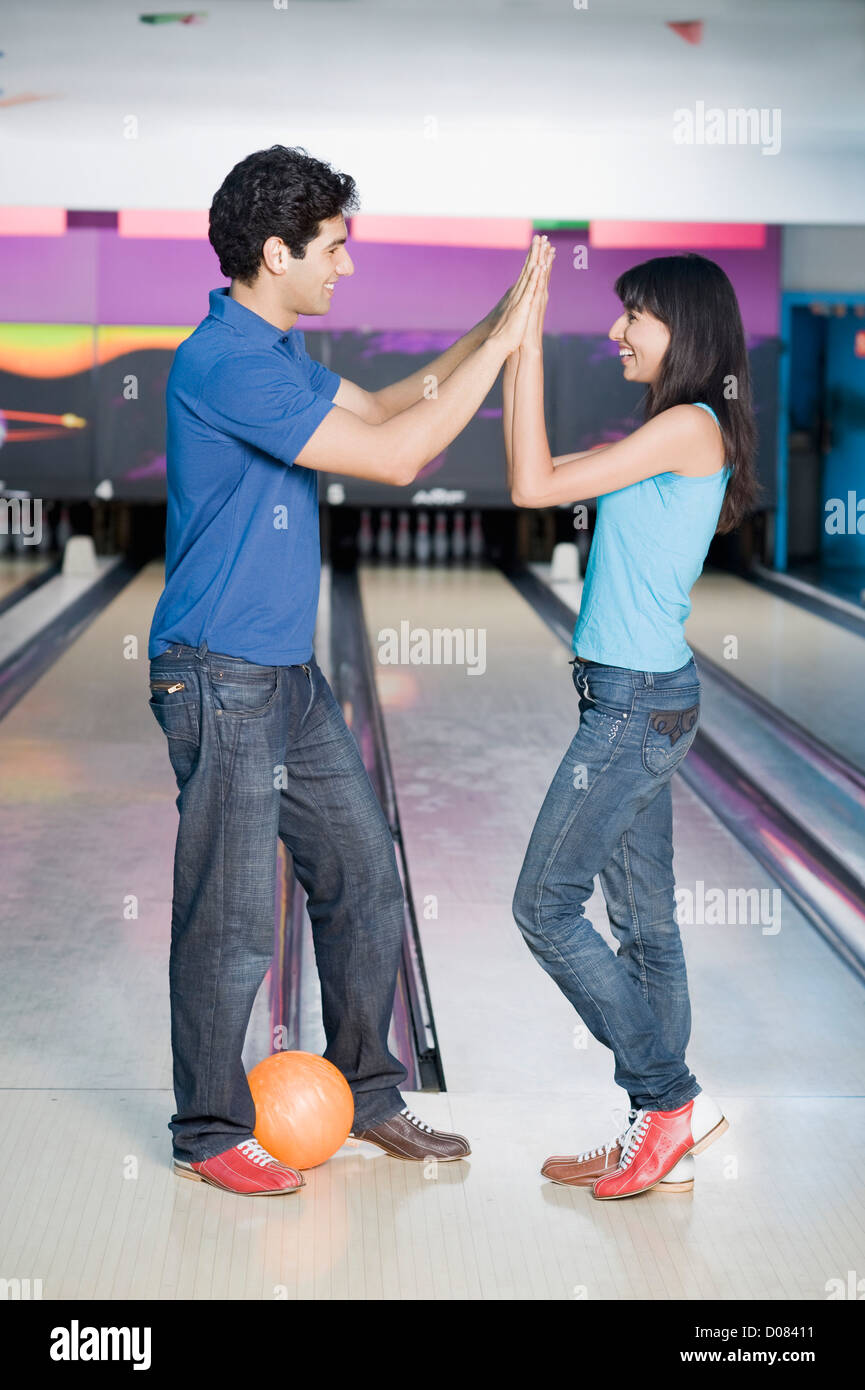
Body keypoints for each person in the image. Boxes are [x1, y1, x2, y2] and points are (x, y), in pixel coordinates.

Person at [147, 144, 543, 1196]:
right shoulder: (222, 361)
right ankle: (206, 1130)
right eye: (332, 250)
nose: (346, 269)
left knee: (364, 874)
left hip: (285, 675)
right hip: (216, 672)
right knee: (229, 919)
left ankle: (366, 1090)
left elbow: (398, 401)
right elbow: (399, 454)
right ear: (274, 253)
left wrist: (494, 325)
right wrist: (505, 347)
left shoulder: (274, 353)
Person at [505, 238, 759, 1199]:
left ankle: (666, 1098)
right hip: (641, 701)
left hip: (632, 710)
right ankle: (659, 1133)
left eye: (633, 316)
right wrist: (514, 350)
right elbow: (538, 468)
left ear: (681, 329)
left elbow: (531, 488)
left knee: (542, 908)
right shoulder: (676, 431)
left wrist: (523, 343)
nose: (615, 331)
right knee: (645, 925)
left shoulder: (688, 426)